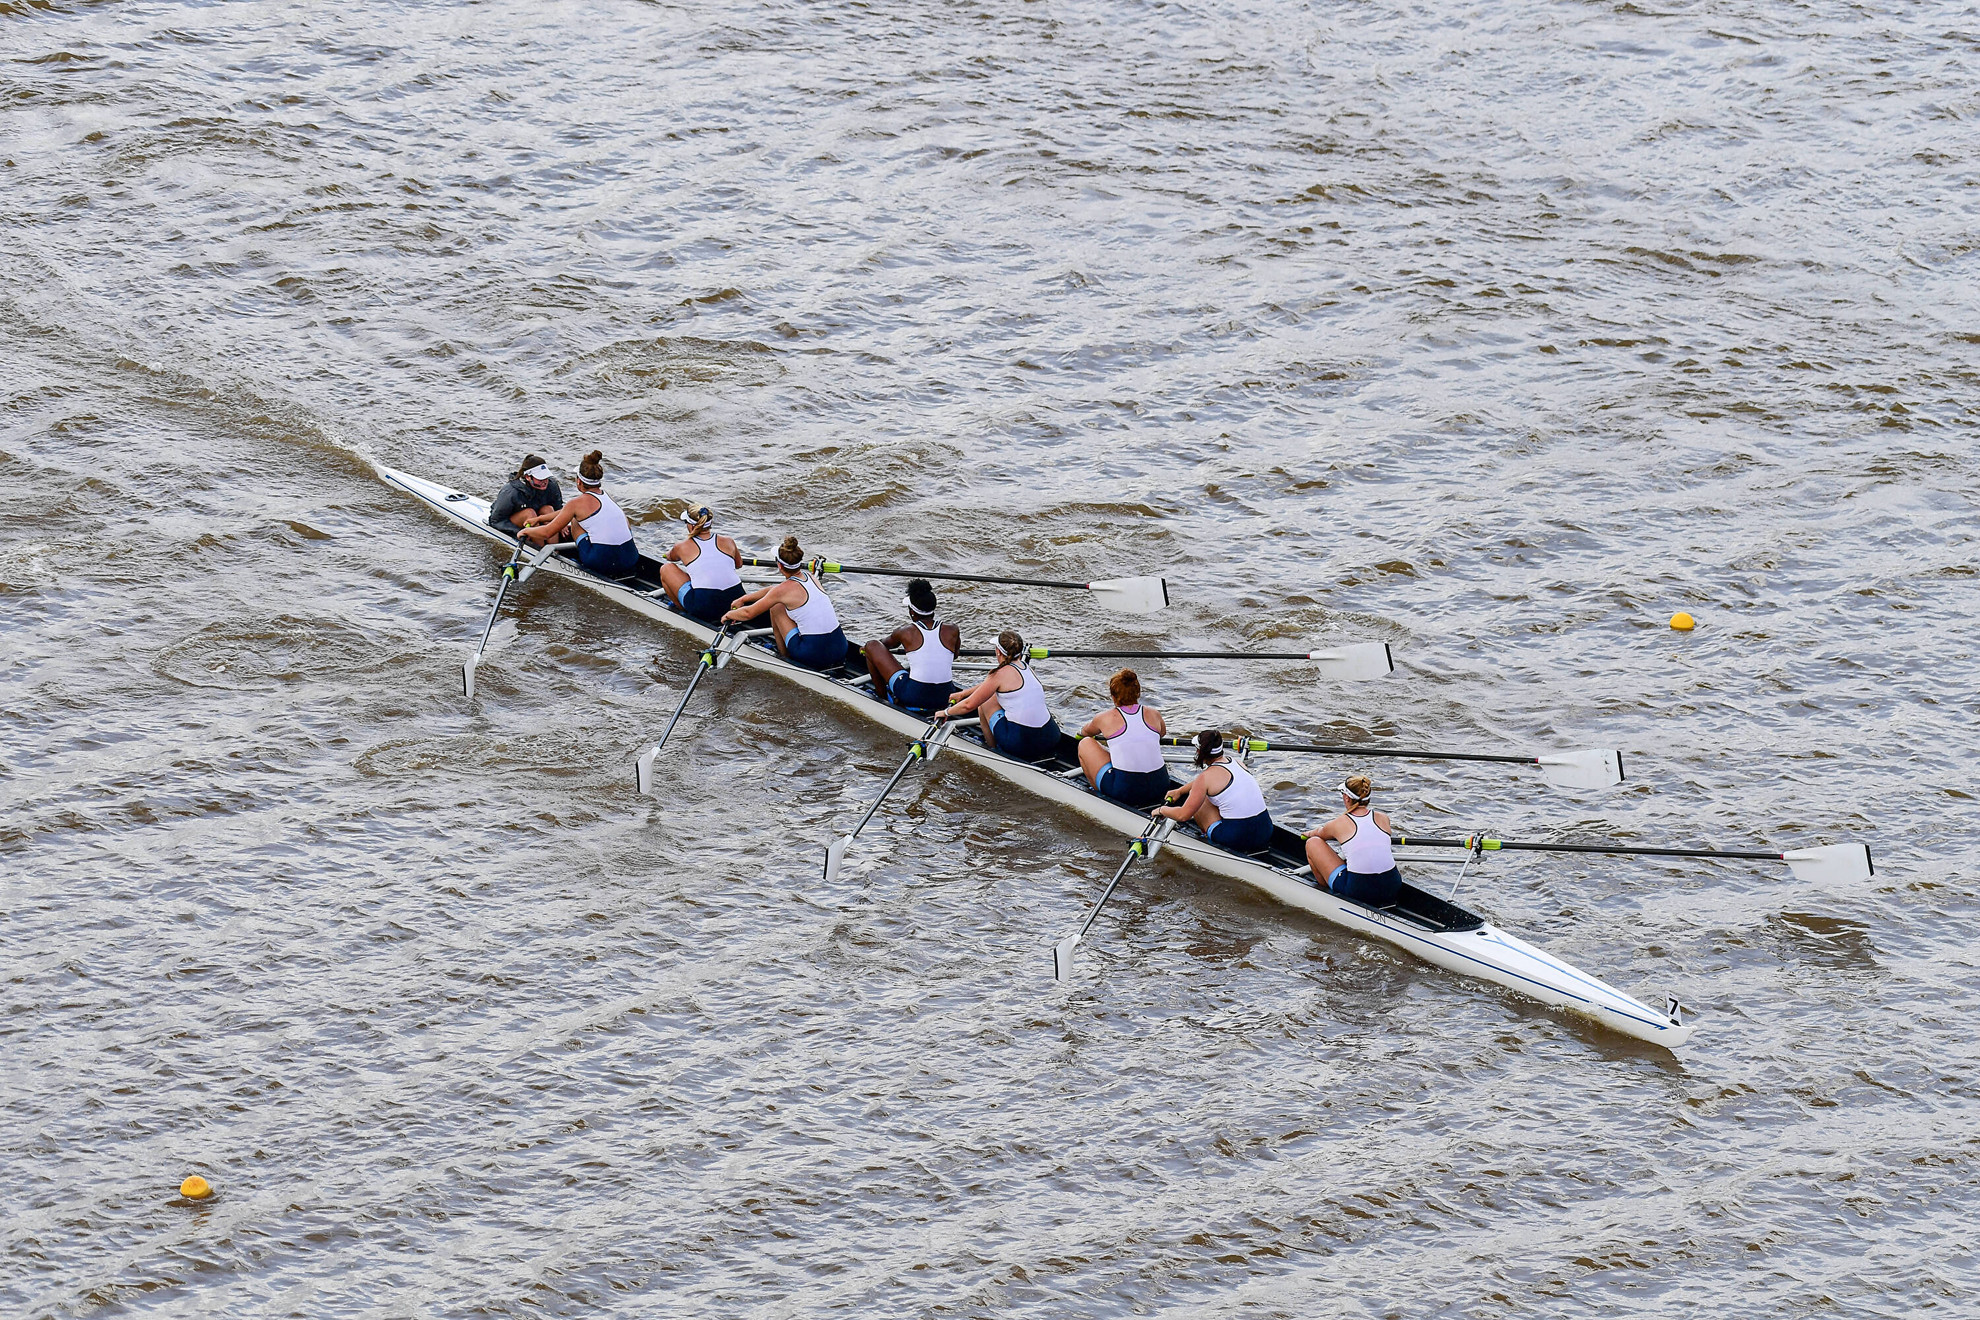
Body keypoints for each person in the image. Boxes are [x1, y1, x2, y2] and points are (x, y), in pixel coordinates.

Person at [722, 535, 849, 670]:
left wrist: (729, 615)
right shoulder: (811, 577)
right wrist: (743, 599)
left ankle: (784, 657)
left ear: (780, 565)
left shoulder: (782, 591)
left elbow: (748, 613)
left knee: (776, 606)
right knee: (780, 602)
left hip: (812, 654)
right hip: (841, 648)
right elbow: (773, 590)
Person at [934, 629, 1060, 761]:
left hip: (1022, 743)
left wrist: (946, 712)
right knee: (996, 697)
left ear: (998, 651)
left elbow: (968, 705)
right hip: (1051, 737)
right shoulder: (1026, 667)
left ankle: (993, 750)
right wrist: (963, 693)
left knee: (985, 702)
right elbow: (987, 687)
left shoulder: (998, 674)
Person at [519, 450, 639, 579]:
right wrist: (540, 518)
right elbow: (565, 512)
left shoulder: (576, 504)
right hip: (631, 558)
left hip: (602, 562)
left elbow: (547, 532)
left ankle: (578, 561)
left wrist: (525, 533)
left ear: (579, 482)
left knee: (576, 521)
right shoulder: (608, 497)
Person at [1154, 730, 1274, 853]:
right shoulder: (1238, 763)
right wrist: (1180, 791)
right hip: (1265, 832)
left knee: (1199, 800)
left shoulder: (1205, 778)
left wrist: (1160, 810)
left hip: (1236, 839)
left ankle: (1208, 839)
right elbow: (1207, 783)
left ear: (1199, 752)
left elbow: (1183, 816)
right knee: (1210, 795)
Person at [1076, 669, 1174, 808]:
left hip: (1127, 791)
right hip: (1161, 786)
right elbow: (1161, 733)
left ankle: (1099, 796)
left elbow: (1086, 732)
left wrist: (1079, 734)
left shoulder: (1104, 718)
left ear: (1113, 696)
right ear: (1138, 693)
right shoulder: (1154, 714)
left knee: (1085, 744)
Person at [861, 578, 958, 715]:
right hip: (946, 696)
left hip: (914, 696)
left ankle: (882, 700)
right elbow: (954, 655)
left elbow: (882, 645)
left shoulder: (905, 632)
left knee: (870, 646)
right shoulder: (953, 630)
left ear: (912, 612)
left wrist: (864, 649)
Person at [1303, 774, 1403, 907]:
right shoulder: (1383, 818)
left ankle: (1326, 894)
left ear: (1346, 797)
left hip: (1359, 891)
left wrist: (1306, 834)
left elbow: (1318, 834)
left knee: (1312, 843)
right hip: (1393, 885)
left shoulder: (1339, 823)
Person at [660, 505, 745, 624]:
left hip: (704, 608)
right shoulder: (728, 541)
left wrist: (667, 554)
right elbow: (739, 564)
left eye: (686, 522)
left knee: (666, 569)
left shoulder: (681, 546)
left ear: (691, 526)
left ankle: (684, 612)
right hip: (737, 602)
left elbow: (670, 558)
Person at [488, 455, 563, 536]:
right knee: (530, 513)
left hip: (537, 519)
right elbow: (495, 521)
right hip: (518, 522)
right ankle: (538, 547)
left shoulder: (552, 486)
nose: (545, 482)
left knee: (548, 509)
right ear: (528, 477)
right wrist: (518, 532)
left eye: (546, 477)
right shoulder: (510, 492)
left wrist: (562, 524)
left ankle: (554, 546)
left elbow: (559, 509)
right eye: (540, 478)